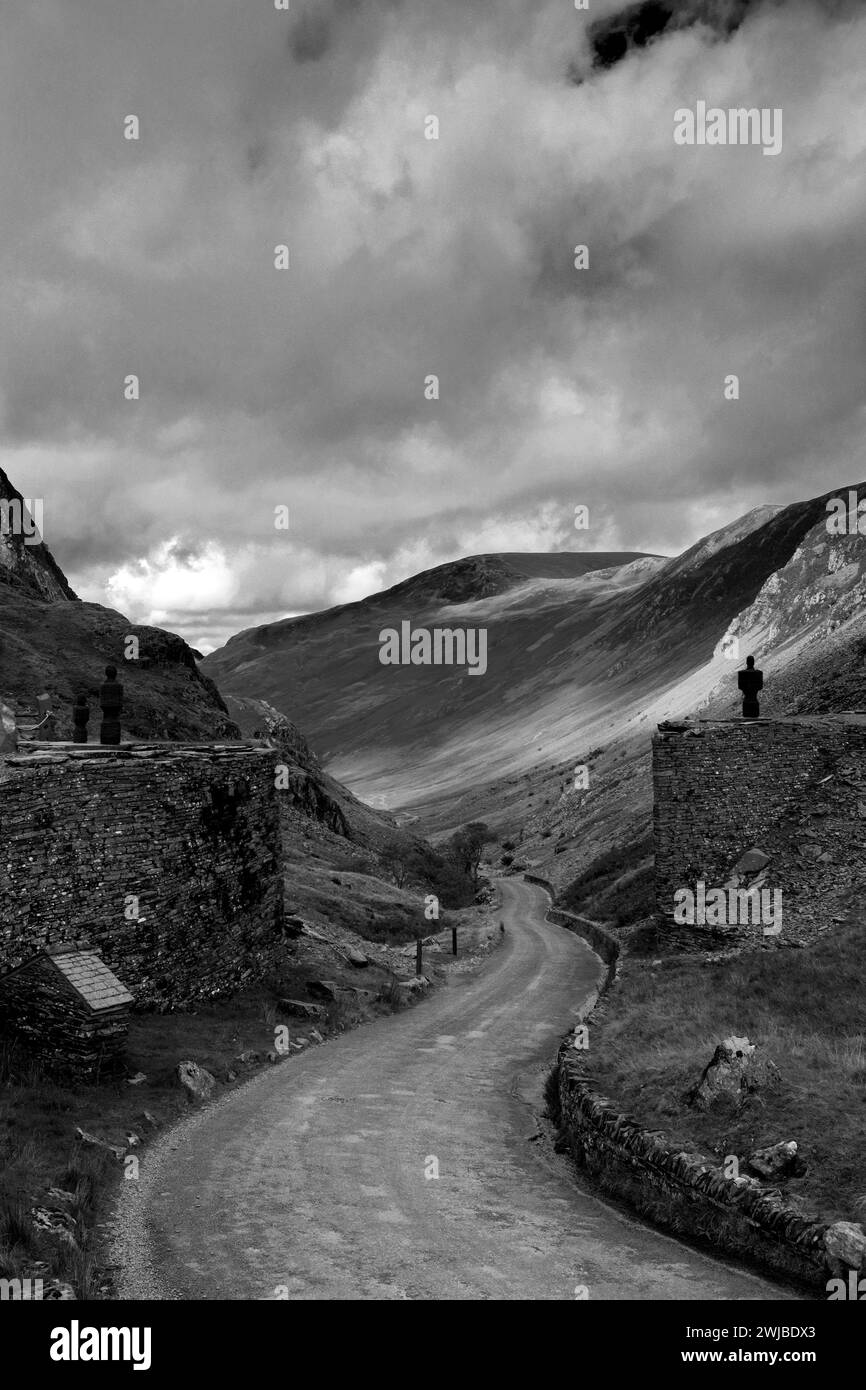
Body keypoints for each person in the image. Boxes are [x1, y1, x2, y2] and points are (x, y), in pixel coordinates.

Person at [737, 654, 763, 720]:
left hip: (746, 702)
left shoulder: (741, 673)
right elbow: (760, 687)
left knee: (746, 723)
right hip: (755, 702)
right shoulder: (759, 673)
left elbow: (740, 686)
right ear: (754, 662)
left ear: (746, 662)